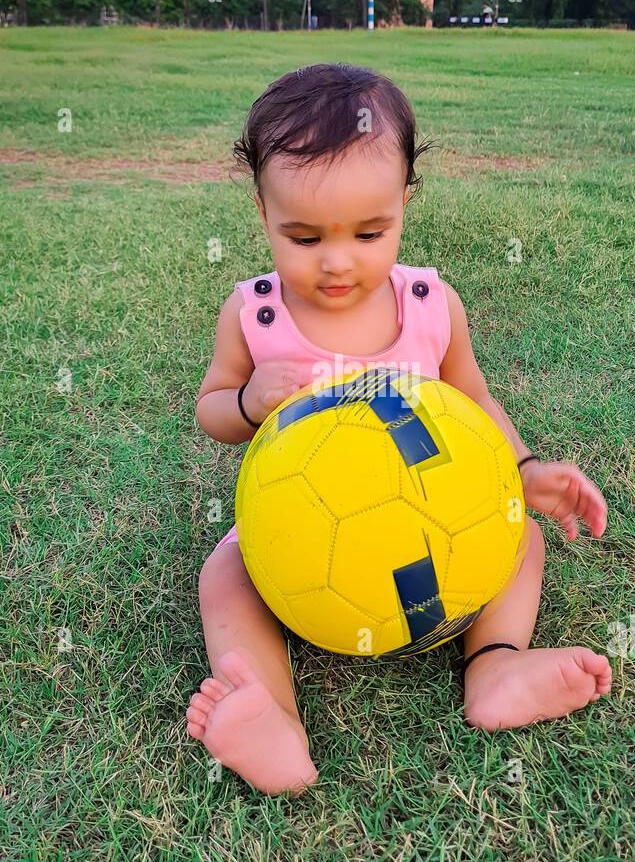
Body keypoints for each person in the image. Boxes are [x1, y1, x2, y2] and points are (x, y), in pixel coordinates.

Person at [187, 63, 611, 794]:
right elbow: (211, 409)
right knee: (225, 574)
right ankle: (275, 722)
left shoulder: (429, 302)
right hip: (299, 545)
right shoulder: (254, 314)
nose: (338, 259)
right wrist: (251, 400)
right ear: (262, 212)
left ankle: (495, 665)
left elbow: (472, 394)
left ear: (404, 204)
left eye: (369, 230)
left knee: (523, 536)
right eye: (304, 235)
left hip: (441, 536)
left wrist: (522, 468)